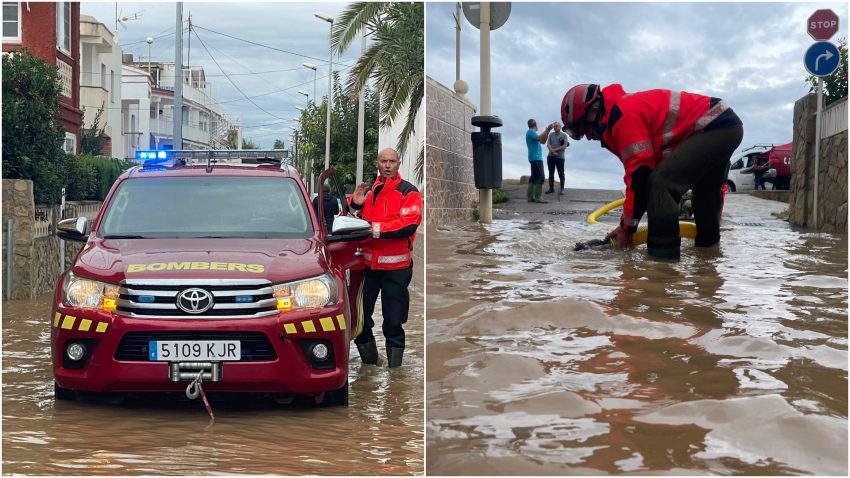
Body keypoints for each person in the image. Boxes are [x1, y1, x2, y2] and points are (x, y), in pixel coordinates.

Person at [560, 83, 743, 259]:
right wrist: (628, 226)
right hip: (725, 126)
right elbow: (642, 173)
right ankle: (708, 261)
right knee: (705, 195)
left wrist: (626, 229)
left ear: (593, 112)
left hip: (716, 126)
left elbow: (640, 175)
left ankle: (661, 270)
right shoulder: (619, 113)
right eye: (578, 135)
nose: (588, 137)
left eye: (583, 130)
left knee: (660, 185)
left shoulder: (623, 116)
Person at [349, 148, 422, 368]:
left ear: (399, 164)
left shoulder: (409, 192)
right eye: (384, 161)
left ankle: (395, 375)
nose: (388, 165)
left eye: (392, 161)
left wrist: (374, 229)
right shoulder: (368, 192)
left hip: (396, 269)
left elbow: (409, 224)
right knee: (359, 320)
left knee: (393, 323)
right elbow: (348, 222)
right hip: (367, 268)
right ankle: (370, 366)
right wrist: (356, 204)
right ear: (376, 164)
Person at [525, 119, 555, 203]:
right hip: (536, 158)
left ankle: (531, 197)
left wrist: (548, 131)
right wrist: (547, 129)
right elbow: (539, 138)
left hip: (534, 157)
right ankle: (538, 197)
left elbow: (543, 141)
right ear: (535, 125)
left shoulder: (532, 133)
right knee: (541, 177)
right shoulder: (530, 132)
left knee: (534, 177)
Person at [545, 122, 570, 195]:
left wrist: (554, 150)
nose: (555, 127)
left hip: (560, 157)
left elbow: (565, 146)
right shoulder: (551, 134)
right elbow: (548, 144)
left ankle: (562, 189)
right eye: (554, 126)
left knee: (561, 173)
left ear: (560, 127)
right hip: (550, 156)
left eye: (557, 126)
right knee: (551, 173)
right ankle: (551, 188)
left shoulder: (564, 135)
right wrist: (552, 151)